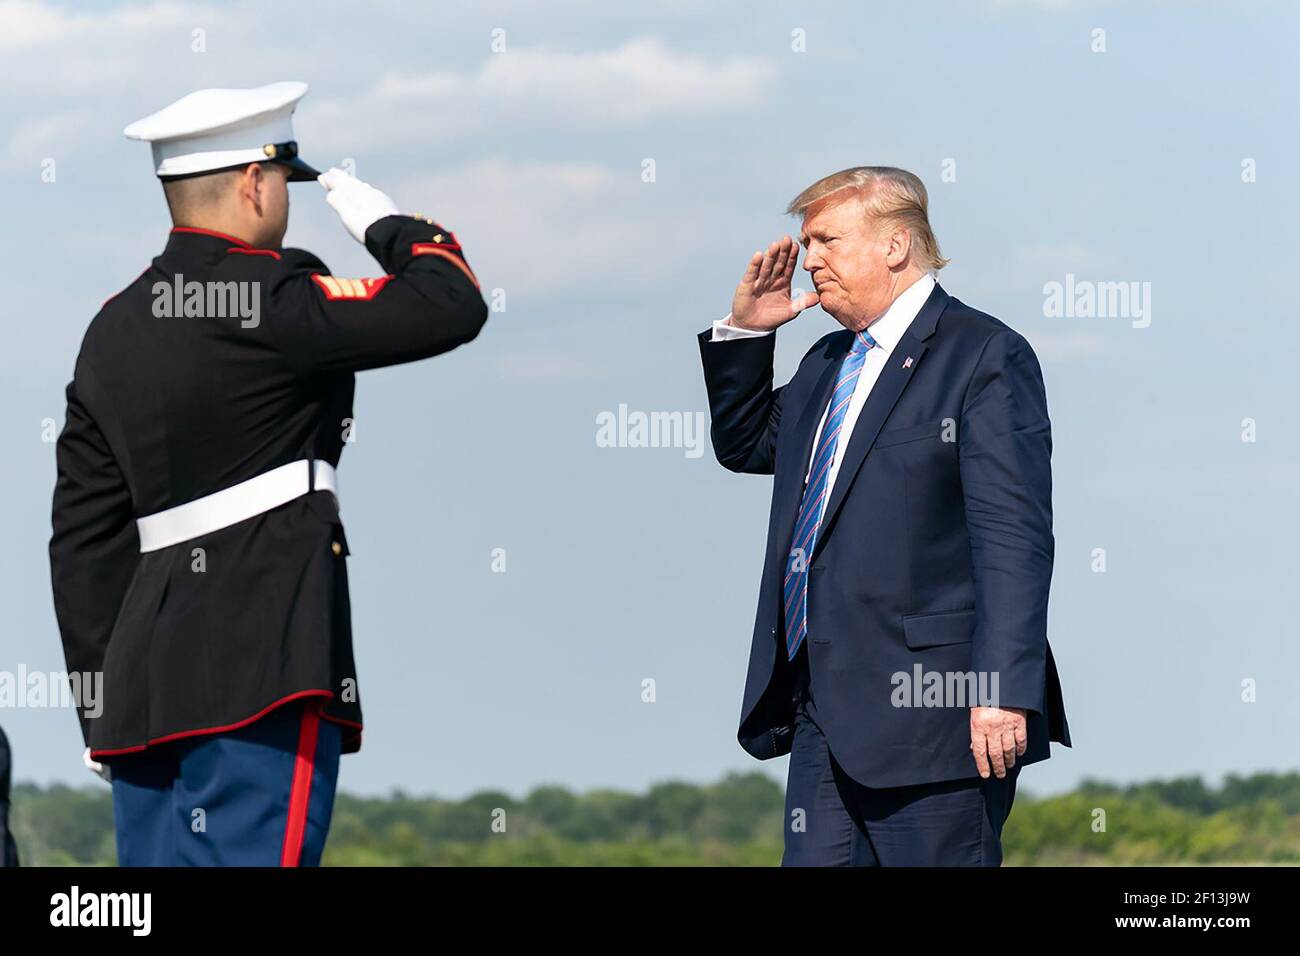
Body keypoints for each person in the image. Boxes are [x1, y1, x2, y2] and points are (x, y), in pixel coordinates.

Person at [48, 81, 488, 866]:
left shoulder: (110, 329)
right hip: (263, 669)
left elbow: (82, 543)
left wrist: (98, 704)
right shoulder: (271, 296)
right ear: (255, 182)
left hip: (139, 698)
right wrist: (390, 226)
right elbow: (452, 304)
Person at [698, 166, 1070, 866]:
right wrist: (746, 332)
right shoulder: (824, 363)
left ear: (896, 246)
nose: (809, 261)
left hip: (942, 717)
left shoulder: (983, 354)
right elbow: (745, 443)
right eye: (807, 243)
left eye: (826, 240)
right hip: (823, 717)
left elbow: (1012, 540)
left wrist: (1002, 688)